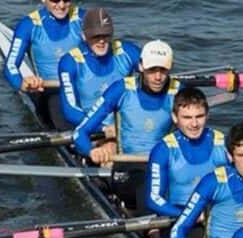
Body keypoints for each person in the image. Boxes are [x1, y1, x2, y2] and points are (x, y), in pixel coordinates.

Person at [72, 39, 180, 212]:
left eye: (163, 70)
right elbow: (80, 132)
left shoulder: (178, 92)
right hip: (127, 168)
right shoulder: (121, 90)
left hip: (162, 167)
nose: (158, 77)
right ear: (141, 66)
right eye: (152, 70)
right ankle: (154, 225)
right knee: (149, 186)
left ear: (171, 68)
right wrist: (91, 151)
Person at [145, 87, 229, 218]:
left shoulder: (223, 144)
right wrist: (190, 216)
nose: (194, 124)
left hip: (218, 215)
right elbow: (153, 199)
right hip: (181, 216)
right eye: (187, 117)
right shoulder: (163, 150)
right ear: (175, 117)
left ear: (207, 115)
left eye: (199, 116)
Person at [3, 0, 86, 130]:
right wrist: (22, 84)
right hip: (50, 91)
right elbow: (10, 66)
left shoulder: (84, 19)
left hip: (82, 87)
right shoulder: (29, 25)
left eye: (66, 0)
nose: (61, 6)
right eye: (55, 0)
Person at [58, 8, 140, 130]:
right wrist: (103, 128)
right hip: (92, 129)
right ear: (84, 36)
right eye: (95, 36)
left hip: (127, 126)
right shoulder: (70, 62)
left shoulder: (128, 51)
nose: (101, 41)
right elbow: (70, 110)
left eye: (106, 35)